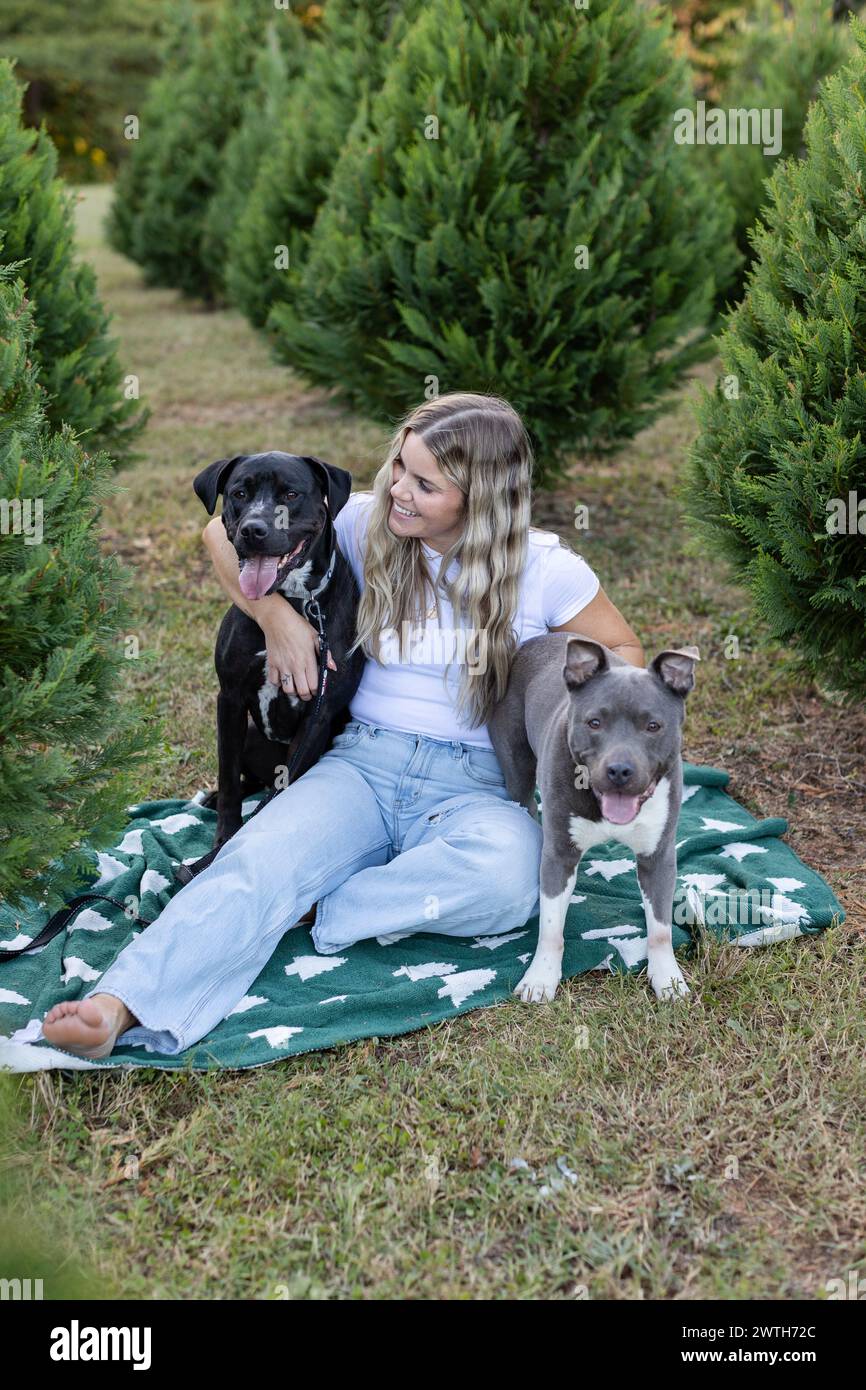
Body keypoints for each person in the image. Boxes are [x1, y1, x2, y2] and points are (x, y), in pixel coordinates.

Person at [42, 392, 644, 1059]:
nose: (398, 492)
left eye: (425, 484)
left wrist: (571, 720)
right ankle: (120, 1005)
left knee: (513, 878)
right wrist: (278, 620)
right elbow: (219, 530)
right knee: (256, 858)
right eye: (398, 469)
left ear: (482, 497)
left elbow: (627, 657)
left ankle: (317, 903)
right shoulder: (366, 522)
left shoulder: (547, 570)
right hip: (361, 764)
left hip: (475, 783)